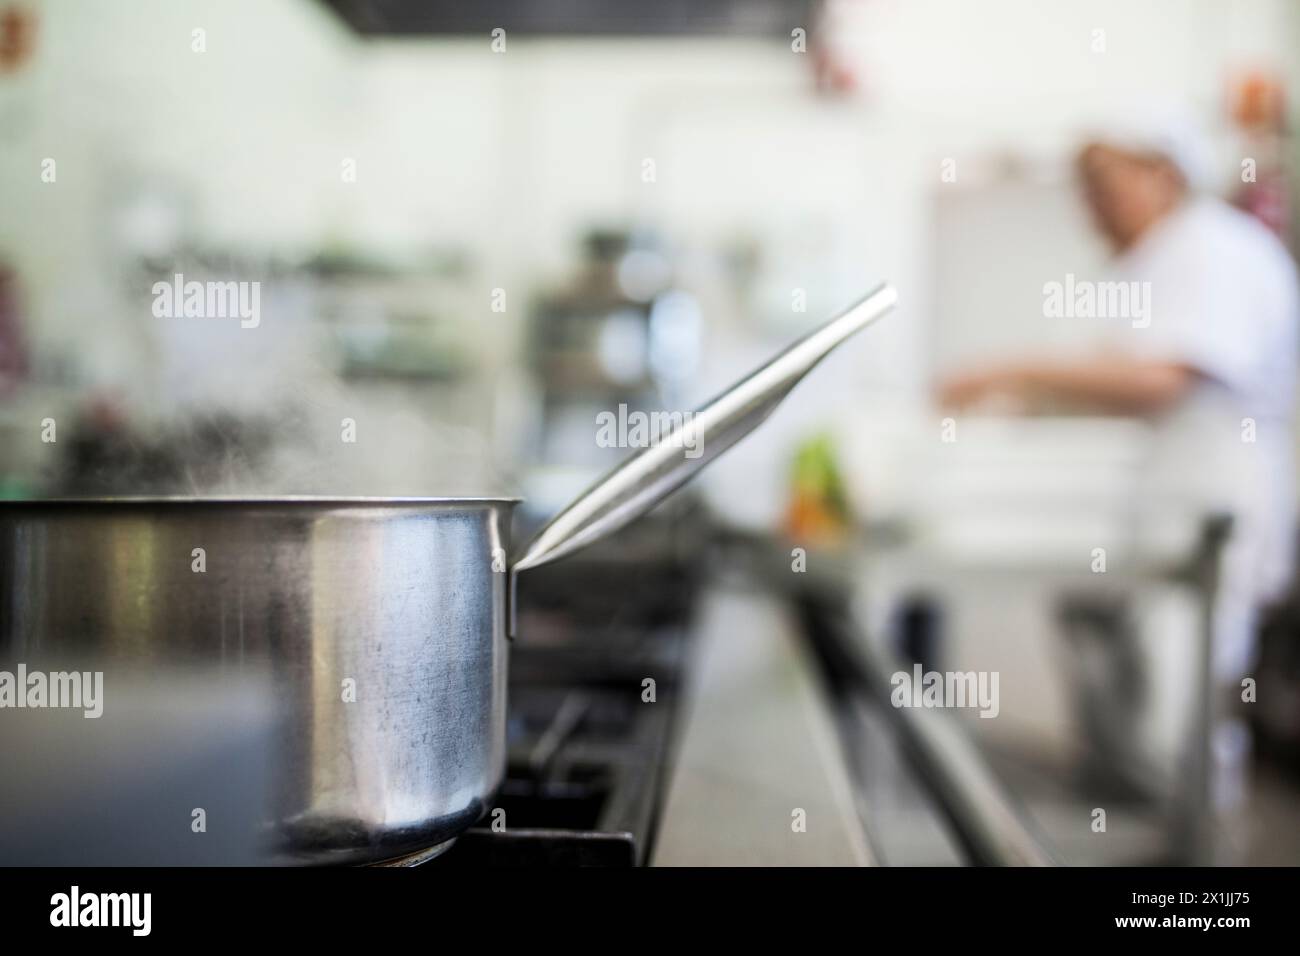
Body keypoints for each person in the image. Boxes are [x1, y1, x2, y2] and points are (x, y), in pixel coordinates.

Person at [939, 117, 1300, 857]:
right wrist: (1024, 405)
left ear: (1161, 175)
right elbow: (1123, 379)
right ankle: (1145, 846)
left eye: (1102, 187)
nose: (1089, 209)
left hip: (1217, 486)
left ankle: (1201, 878)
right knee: (1132, 672)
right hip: (1175, 484)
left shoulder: (1211, 251)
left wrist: (1010, 370)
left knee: (1179, 700)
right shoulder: (1161, 257)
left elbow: (1160, 381)